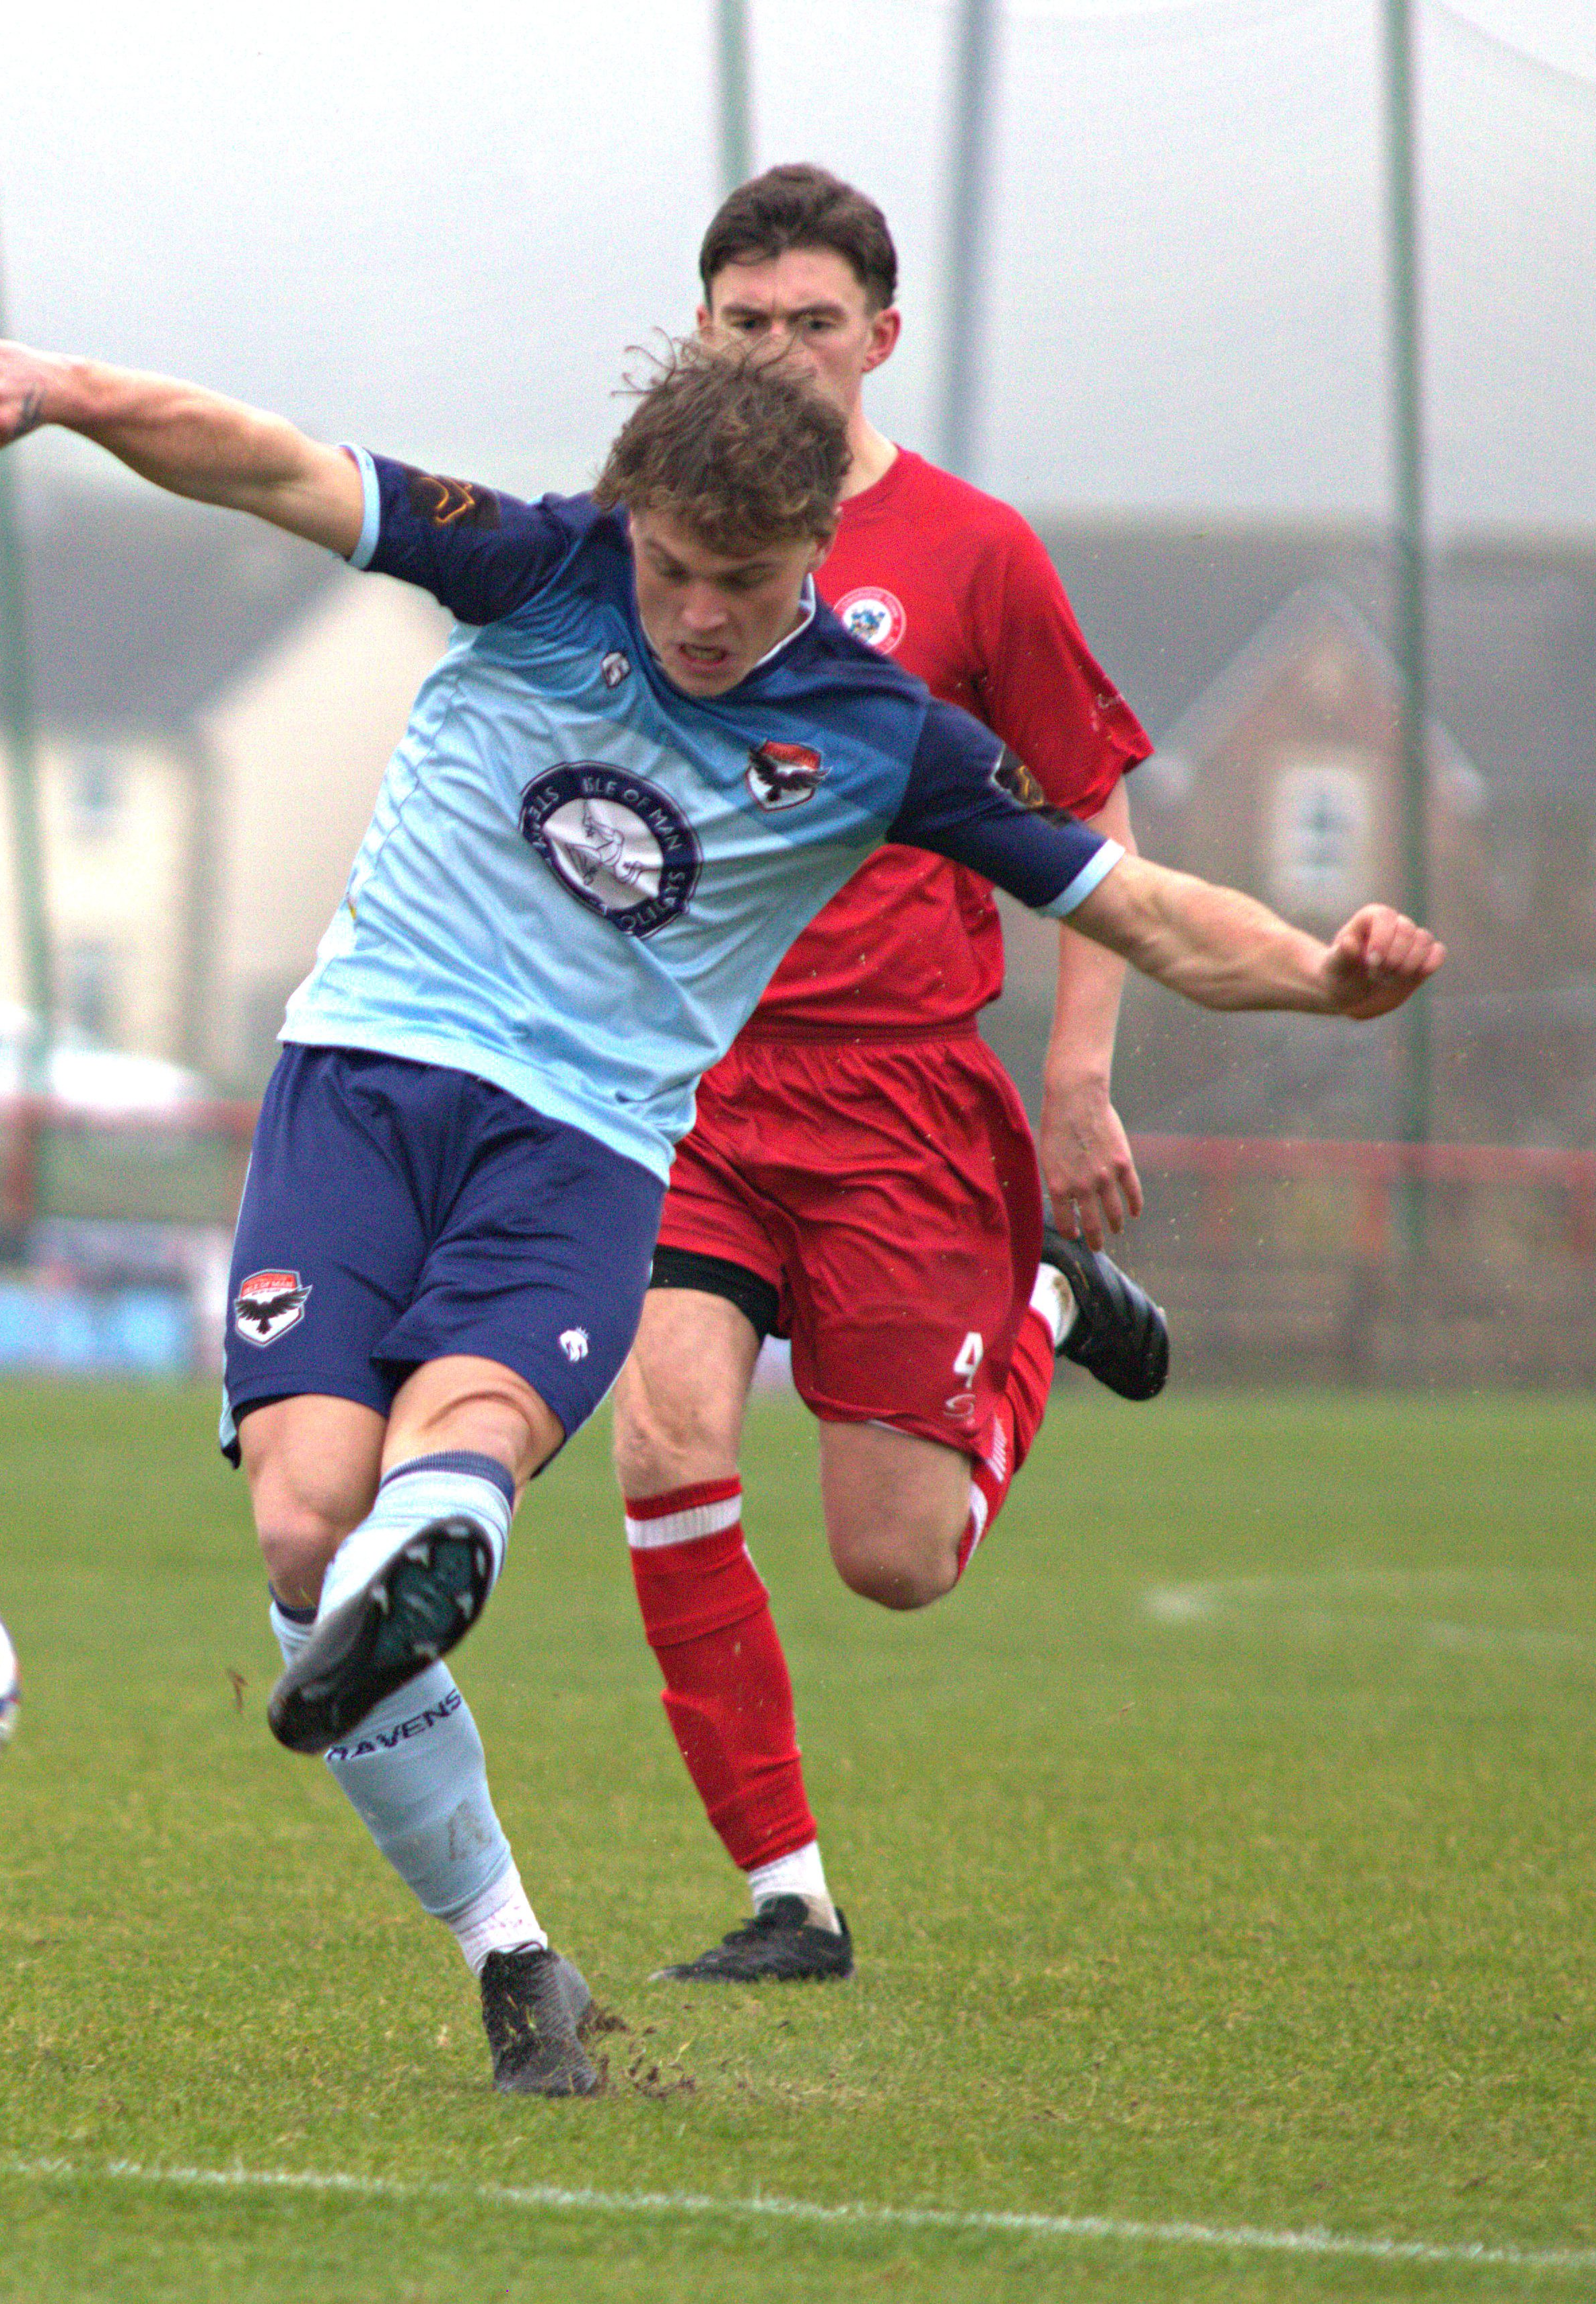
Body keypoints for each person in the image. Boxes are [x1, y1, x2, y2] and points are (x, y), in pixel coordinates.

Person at [0, 330, 1438, 2096]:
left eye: (741, 582)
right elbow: (266, 460)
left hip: (583, 1141)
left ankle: (452, 1552)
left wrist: (1329, 980)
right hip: (361, 1081)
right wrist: (64, 395)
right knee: (296, 1532)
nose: (698, 615)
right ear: (628, 521)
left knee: (473, 1452)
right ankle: (515, 1946)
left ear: (816, 559)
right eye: (671, 569)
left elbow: (1143, 903)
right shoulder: (535, 558)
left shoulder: (886, 734)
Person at [610, 164, 1175, 1988]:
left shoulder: (969, 552)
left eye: (815, 325)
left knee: (895, 1558)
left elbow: (1089, 804)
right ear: (706, 329)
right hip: (695, 1079)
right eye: (747, 321)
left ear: (882, 340)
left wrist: (1078, 1070)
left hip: (898, 1101)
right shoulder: (642, 534)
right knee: (667, 1432)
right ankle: (790, 1893)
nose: (780, 351)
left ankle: (1039, 1295)